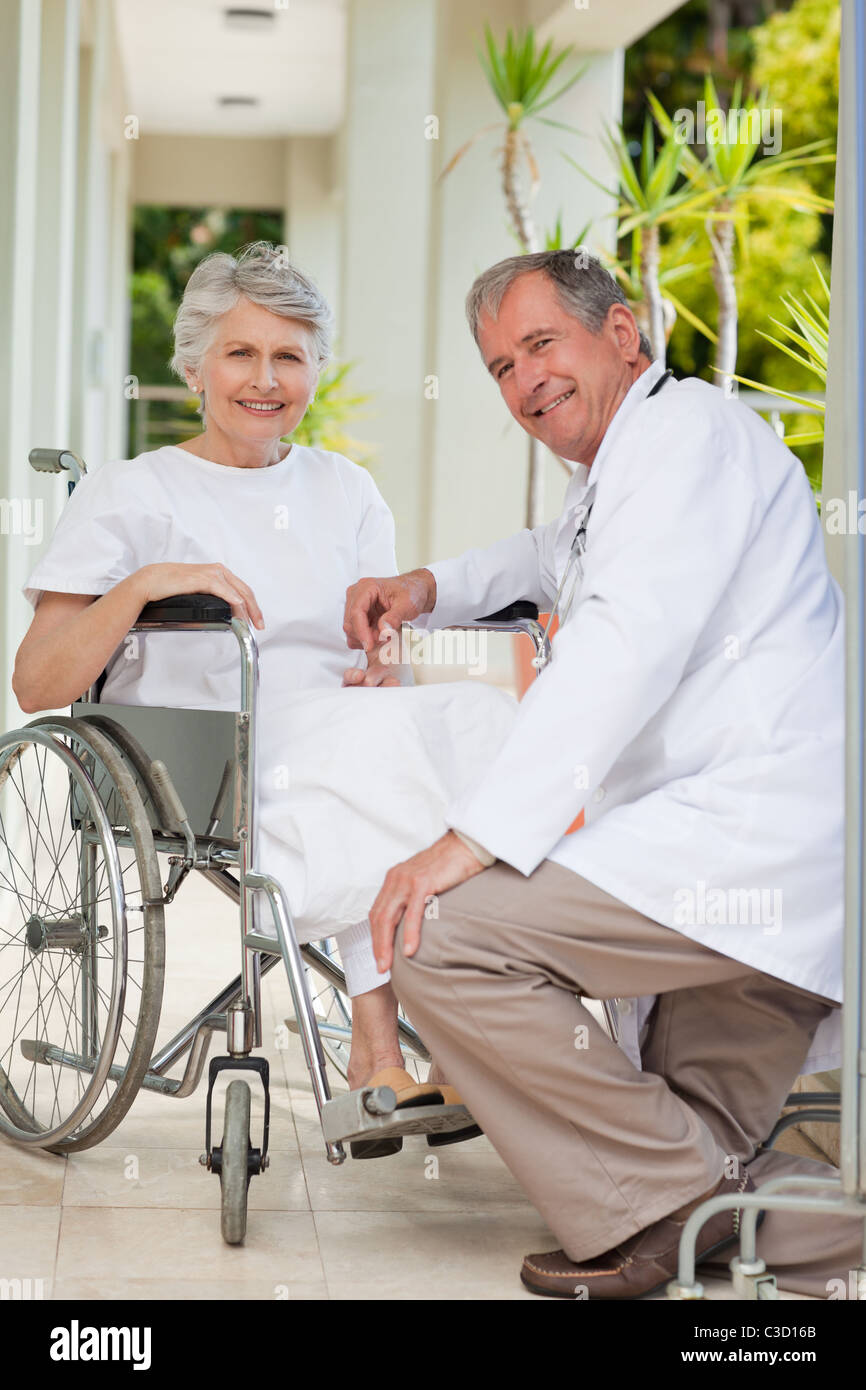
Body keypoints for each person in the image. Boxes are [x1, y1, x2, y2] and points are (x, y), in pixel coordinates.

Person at [343, 249, 856, 1298]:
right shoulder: (629, 465)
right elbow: (542, 558)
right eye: (496, 367)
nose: (521, 380)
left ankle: (662, 1206)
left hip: (742, 842)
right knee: (697, 1159)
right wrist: (424, 586)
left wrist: (465, 843)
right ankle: (727, 1217)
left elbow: (619, 647)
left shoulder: (682, 443)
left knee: (432, 935)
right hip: (750, 882)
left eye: (540, 344)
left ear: (619, 333)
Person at [11, 241, 516, 1124]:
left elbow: (374, 660)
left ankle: (447, 1036)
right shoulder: (135, 494)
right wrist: (145, 585)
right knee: (383, 767)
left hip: (339, 737)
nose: (265, 378)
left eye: (290, 355)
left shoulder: (348, 490)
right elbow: (35, 679)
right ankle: (382, 1046)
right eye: (241, 353)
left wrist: (380, 658)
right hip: (199, 761)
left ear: (316, 369)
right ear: (195, 365)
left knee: (479, 720)